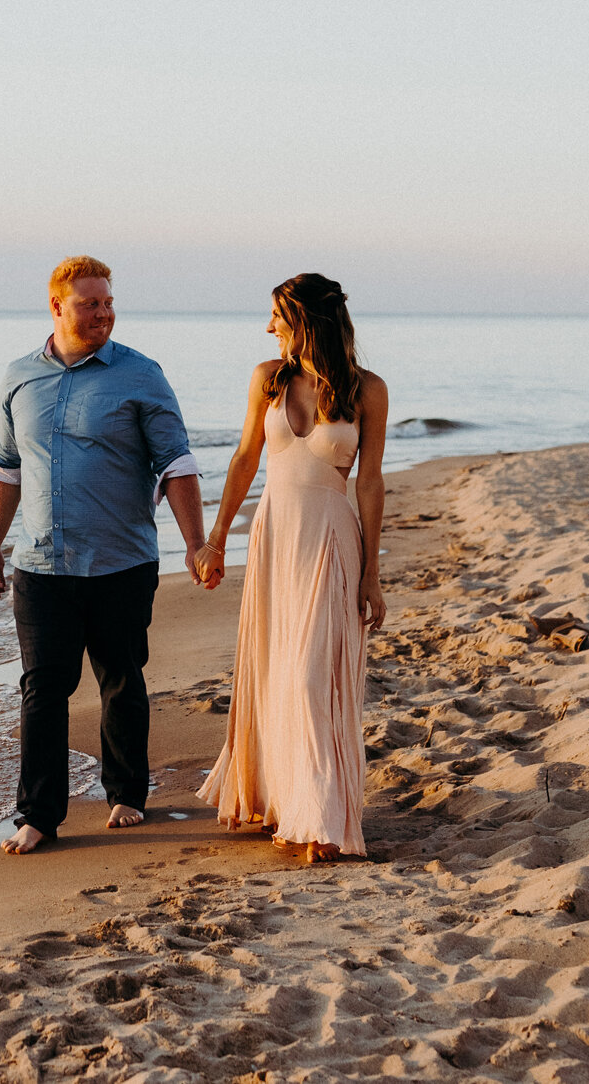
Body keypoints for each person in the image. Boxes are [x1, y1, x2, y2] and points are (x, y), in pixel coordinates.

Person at [0, 256, 210, 854]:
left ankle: (127, 793)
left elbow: (176, 463)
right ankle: (37, 815)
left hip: (121, 562)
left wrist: (196, 544)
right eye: (91, 303)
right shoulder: (17, 377)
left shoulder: (141, 374)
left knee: (120, 678)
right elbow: (5, 467)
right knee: (43, 688)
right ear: (57, 307)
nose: (104, 312)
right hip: (40, 564)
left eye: (109, 301)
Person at [192, 272, 388, 863]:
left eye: (277, 314)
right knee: (276, 672)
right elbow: (247, 456)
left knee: (311, 679)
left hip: (330, 539)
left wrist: (372, 575)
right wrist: (217, 536)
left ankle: (322, 820)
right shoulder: (267, 379)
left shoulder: (366, 390)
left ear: (306, 319)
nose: (269, 326)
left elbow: (371, 482)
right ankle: (286, 802)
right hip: (274, 537)